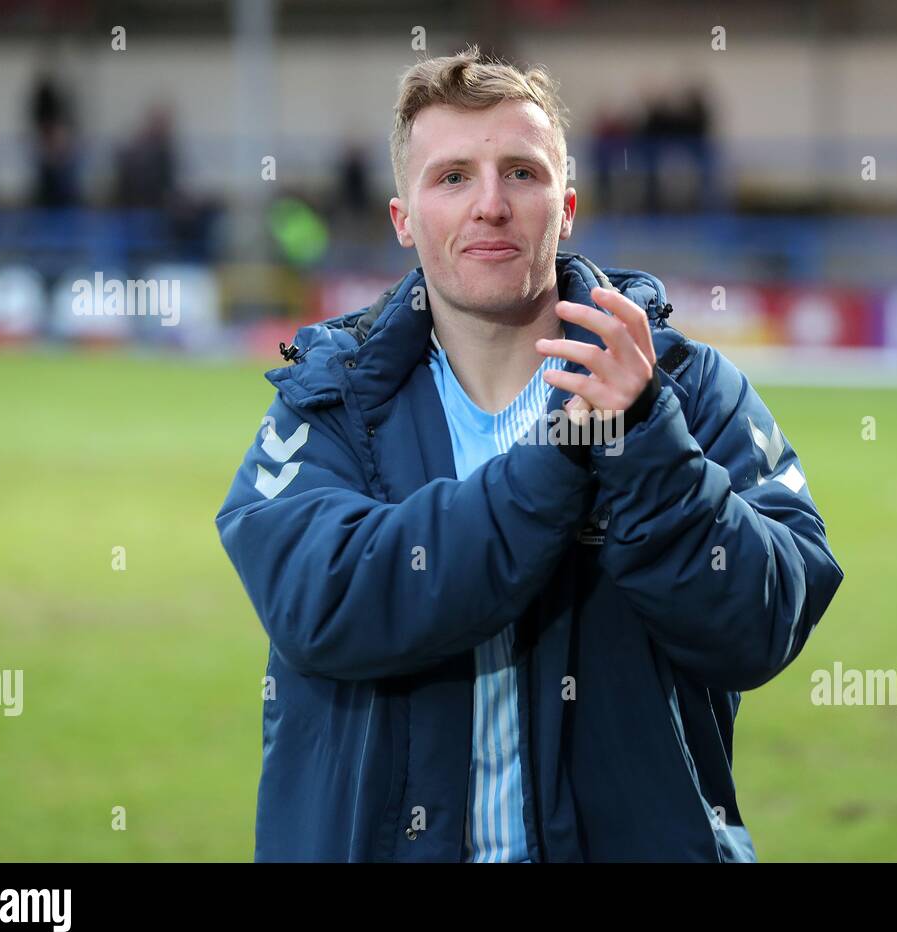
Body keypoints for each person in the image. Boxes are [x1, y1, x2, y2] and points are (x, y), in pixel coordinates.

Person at [215, 45, 843, 862]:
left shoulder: (683, 390)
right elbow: (325, 604)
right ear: (403, 219)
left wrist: (647, 441)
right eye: (451, 178)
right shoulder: (327, 403)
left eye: (521, 172)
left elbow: (762, 620)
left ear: (568, 204)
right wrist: (556, 466)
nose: (490, 206)